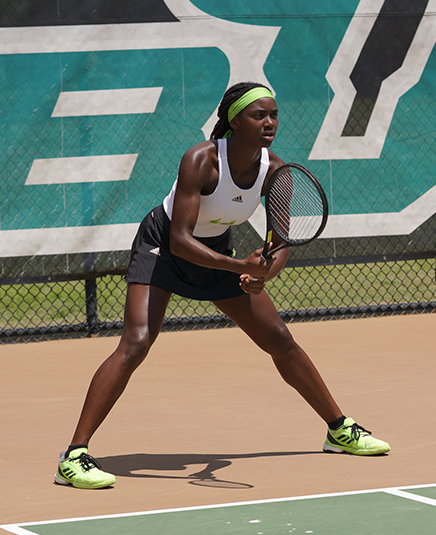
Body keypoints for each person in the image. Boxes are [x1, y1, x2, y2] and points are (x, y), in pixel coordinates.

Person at [55, 82, 390, 490]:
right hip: (162, 247)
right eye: (259, 115)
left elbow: (278, 241)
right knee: (137, 342)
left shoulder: (277, 171)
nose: (270, 122)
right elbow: (179, 238)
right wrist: (238, 267)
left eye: (274, 114)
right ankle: (73, 456)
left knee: (279, 338)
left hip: (215, 251)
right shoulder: (202, 159)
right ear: (235, 121)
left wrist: (265, 271)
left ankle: (339, 430)